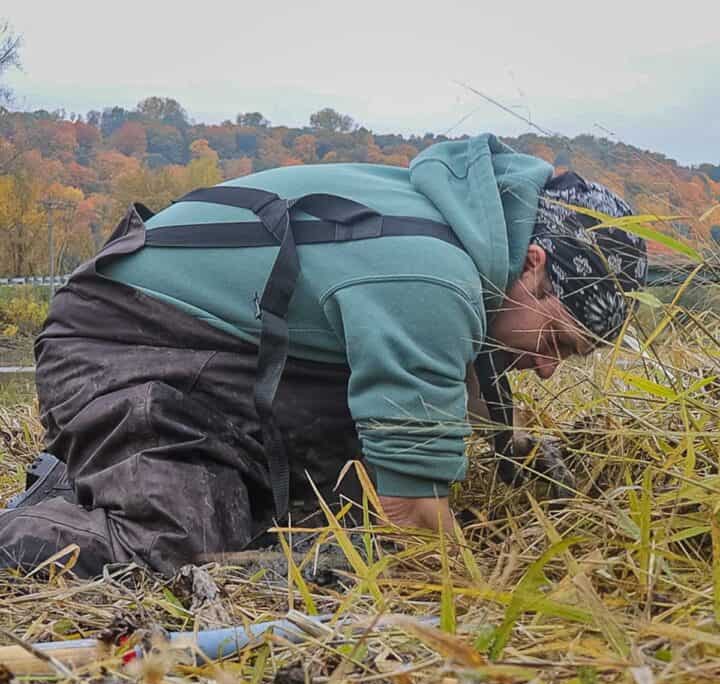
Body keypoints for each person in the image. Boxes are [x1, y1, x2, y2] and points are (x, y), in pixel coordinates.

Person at [0, 133, 647, 577]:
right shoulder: (434, 278)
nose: (547, 366)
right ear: (533, 266)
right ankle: (49, 520)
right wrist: (484, 589)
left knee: (322, 507)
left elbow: (439, 413)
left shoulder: (464, 235)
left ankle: (91, 475)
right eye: (557, 340)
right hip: (118, 340)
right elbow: (411, 516)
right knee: (183, 539)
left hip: (206, 346)